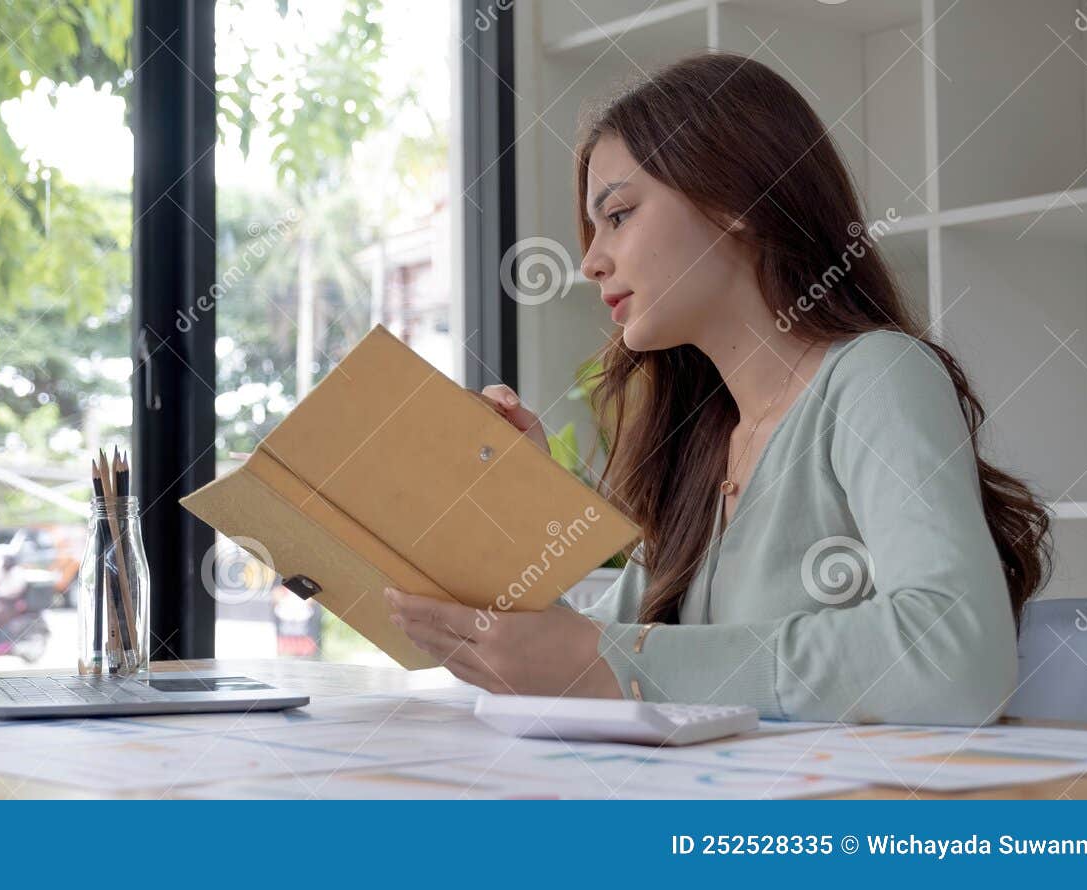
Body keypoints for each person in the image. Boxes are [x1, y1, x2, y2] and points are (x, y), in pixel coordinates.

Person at [383, 52, 1051, 726]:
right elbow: (589, 659)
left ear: (734, 201)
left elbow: (958, 662)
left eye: (617, 216)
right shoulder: (698, 443)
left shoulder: (877, 378)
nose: (590, 261)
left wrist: (623, 664)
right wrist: (509, 507)